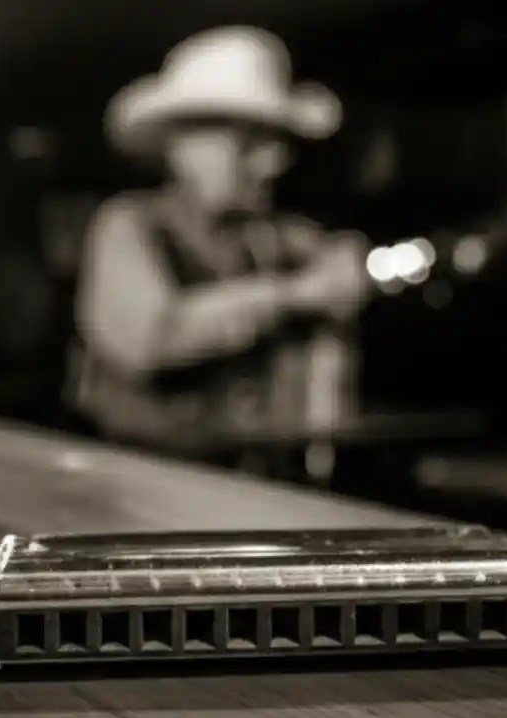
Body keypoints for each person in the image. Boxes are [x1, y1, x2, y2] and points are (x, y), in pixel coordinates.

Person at [73, 26, 371, 457]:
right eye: (248, 142)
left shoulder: (275, 237)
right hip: (139, 477)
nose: (273, 163)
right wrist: (296, 295)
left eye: (277, 143)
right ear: (185, 146)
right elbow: (148, 340)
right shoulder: (128, 225)